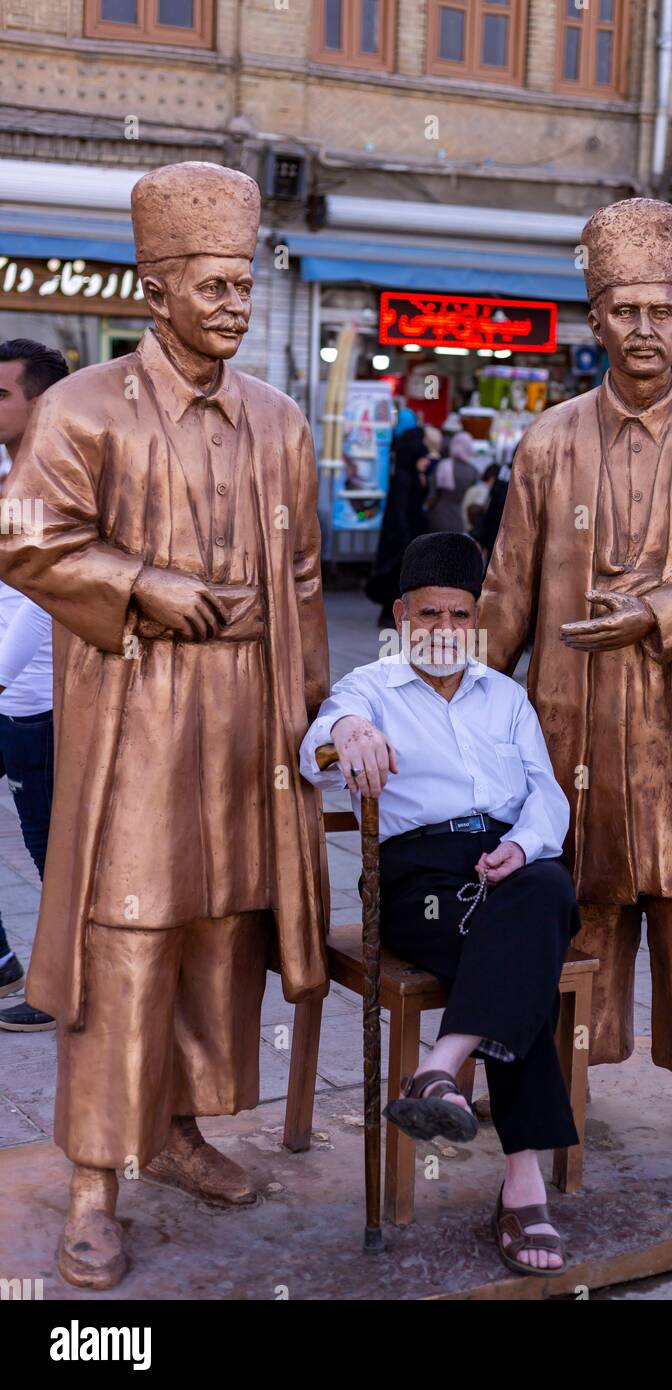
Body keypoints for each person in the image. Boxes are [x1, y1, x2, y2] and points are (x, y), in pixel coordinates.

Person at [0, 162, 330, 1290]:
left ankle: (180, 1132)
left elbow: (299, 573)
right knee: (127, 942)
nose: (237, 305)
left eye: (245, 285)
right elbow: (28, 539)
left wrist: (309, 718)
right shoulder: (82, 407)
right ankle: (95, 1180)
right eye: (216, 287)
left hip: (245, 725)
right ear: (157, 288)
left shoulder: (278, 420)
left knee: (220, 937)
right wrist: (144, 583)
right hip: (139, 712)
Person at [477, 198, 672, 1164]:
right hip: (571, 713)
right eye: (625, 311)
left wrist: (657, 612)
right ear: (595, 320)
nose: (644, 329)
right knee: (582, 899)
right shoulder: (550, 440)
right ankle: (561, 1071)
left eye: (661, 310)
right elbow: (506, 591)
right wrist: (443, 694)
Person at [300, 532, 580, 1277]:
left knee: (546, 884)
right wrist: (346, 733)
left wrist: (521, 845)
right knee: (530, 957)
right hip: (417, 882)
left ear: (475, 617)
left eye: (460, 615)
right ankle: (522, 1189)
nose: (446, 631)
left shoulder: (506, 697)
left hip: (503, 865)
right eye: (430, 615)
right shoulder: (370, 690)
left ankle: (443, 1064)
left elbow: (546, 797)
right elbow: (313, 753)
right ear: (401, 614)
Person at [0, 340, 70, 1031]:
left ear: (40, 402)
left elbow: (40, 600)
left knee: (53, 852)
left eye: (1, 395)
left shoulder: (60, 481)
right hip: (7, 698)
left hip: (41, 706)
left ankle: (63, 987)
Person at [365, 405, 429, 624]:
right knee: (398, 573)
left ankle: (390, 613)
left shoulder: (401, 467)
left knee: (395, 571)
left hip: (399, 532)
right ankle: (392, 614)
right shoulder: (407, 473)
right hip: (405, 532)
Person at [425, 429, 477, 533]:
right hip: (459, 517)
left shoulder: (443, 466)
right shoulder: (473, 471)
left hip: (438, 515)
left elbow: (432, 494)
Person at [463, 462, 499, 532]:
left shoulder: (474, 487)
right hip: (473, 530)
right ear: (492, 479)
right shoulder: (484, 492)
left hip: (465, 526)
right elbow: (475, 513)